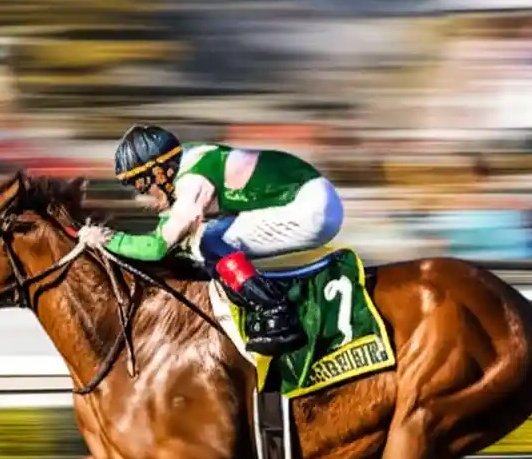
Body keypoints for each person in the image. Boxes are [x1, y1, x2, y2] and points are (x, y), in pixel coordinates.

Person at [78, 124, 344, 356]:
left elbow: (157, 247)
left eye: (141, 183)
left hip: (312, 207)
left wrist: (108, 239)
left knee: (208, 239)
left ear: (161, 173)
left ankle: (275, 311)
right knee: (198, 244)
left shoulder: (192, 181)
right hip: (310, 197)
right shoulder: (187, 162)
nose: (142, 195)